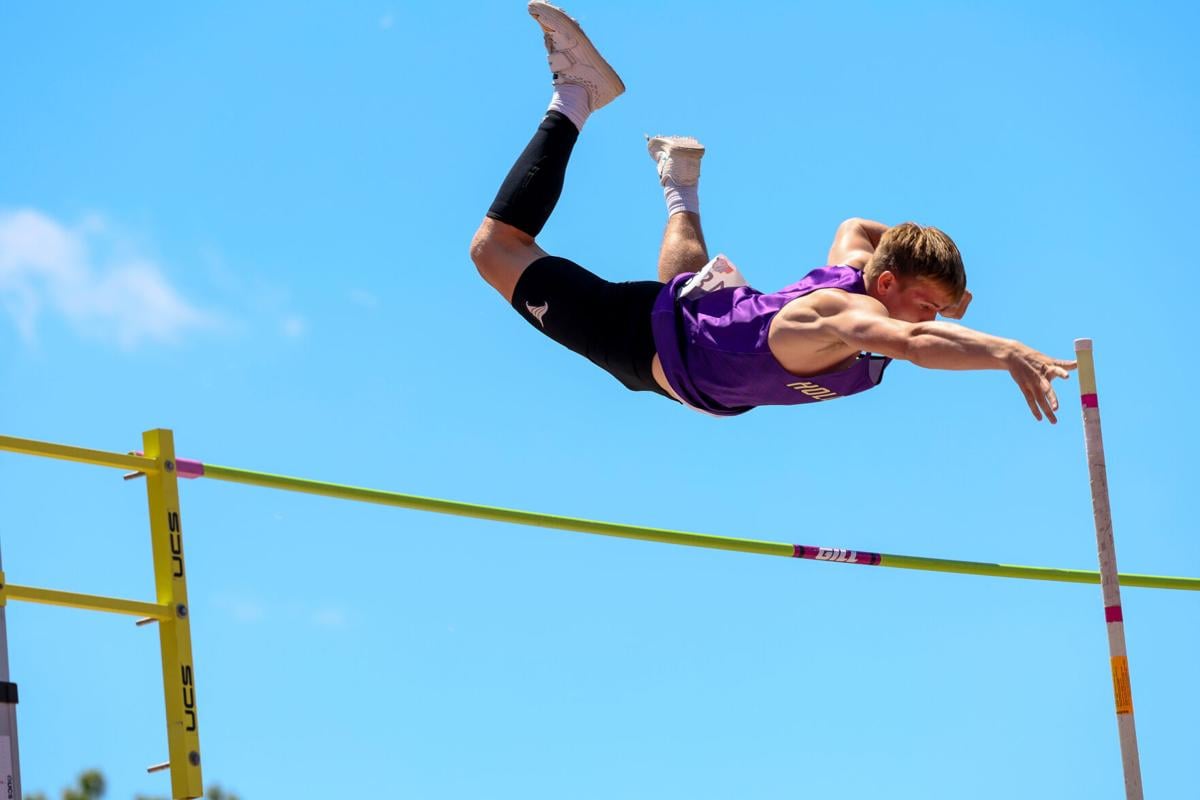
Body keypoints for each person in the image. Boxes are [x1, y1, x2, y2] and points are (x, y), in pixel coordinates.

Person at [470, 1, 1076, 422]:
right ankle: (576, 94)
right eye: (926, 306)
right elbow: (912, 345)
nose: (933, 321)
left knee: (681, 295)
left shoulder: (861, 268)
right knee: (495, 250)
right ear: (886, 284)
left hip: (703, 330)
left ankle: (681, 186)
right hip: (650, 344)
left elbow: (856, 229)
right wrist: (1003, 351)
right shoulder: (849, 311)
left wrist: (938, 289)